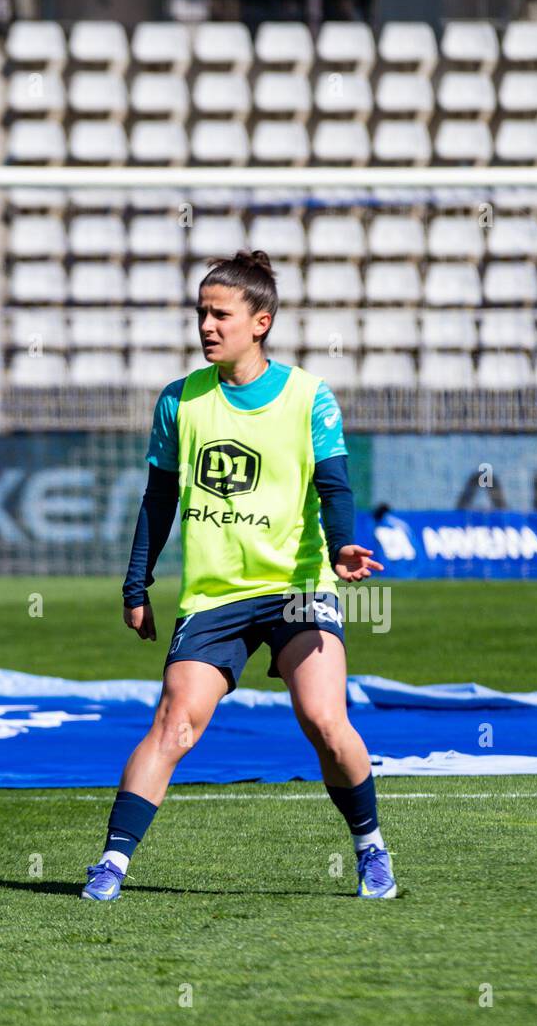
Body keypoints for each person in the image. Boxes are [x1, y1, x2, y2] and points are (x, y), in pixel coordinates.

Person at [82, 249, 398, 901]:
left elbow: (334, 486)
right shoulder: (180, 400)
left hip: (298, 587)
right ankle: (111, 863)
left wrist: (342, 549)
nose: (206, 325)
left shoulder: (309, 395)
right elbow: (158, 498)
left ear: (261, 321)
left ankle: (371, 850)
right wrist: (135, 585)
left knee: (322, 719)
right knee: (174, 723)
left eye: (220, 313)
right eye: (201, 312)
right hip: (213, 594)